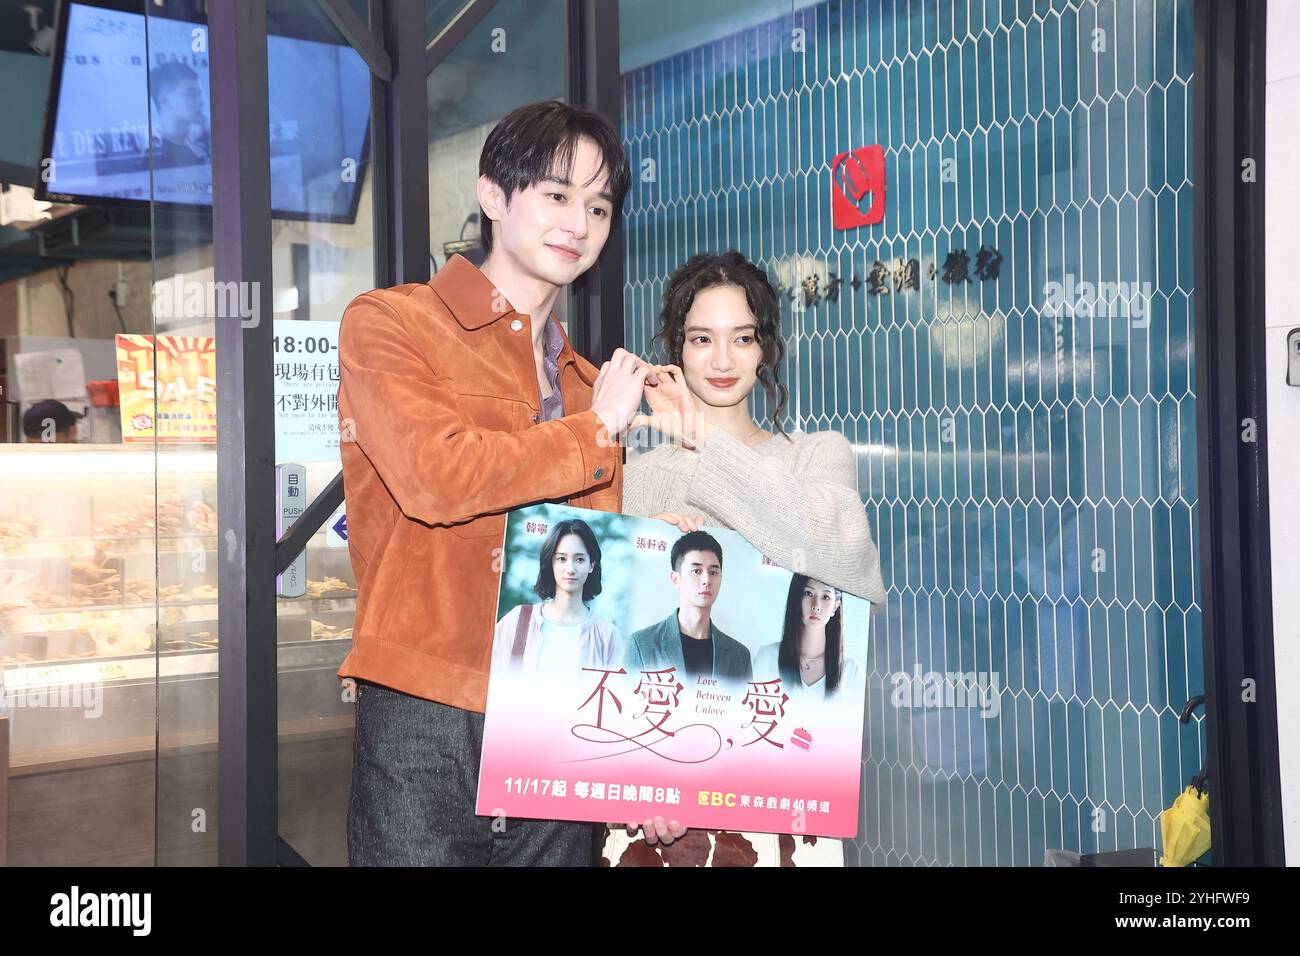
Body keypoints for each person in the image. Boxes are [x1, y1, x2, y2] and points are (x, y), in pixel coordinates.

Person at [337, 100, 671, 866]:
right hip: (426, 705)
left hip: (561, 711)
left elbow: (606, 582)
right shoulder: (393, 323)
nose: (578, 223)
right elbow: (438, 477)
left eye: (598, 205)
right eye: (556, 195)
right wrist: (596, 432)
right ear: (493, 195)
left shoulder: (592, 384)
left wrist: (641, 755)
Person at [602, 250, 887, 868]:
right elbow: (616, 638)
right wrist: (639, 773)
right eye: (702, 338)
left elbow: (842, 555)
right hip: (657, 803)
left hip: (781, 793)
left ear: (766, 351)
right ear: (676, 347)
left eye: (743, 338)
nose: (723, 360)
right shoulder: (636, 479)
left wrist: (707, 441)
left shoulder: (815, 455)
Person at [492, 518, 622, 675]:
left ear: (591, 565)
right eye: (561, 559)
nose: (570, 569)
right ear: (551, 562)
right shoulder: (518, 620)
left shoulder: (607, 635)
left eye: (579, 559)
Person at [622, 529, 752, 683]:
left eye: (714, 572)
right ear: (676, 579)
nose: (706, 580)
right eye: (696, 571)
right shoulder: (641, 645)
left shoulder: (740, 656)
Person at [752, 575, 863, 698]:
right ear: (797, 598)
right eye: (808, 593)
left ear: (835, 607)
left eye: (825, 597)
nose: (816, 605)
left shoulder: (851, 671)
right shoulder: (767, 658)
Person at [148, 62, 209, 168]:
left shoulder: (201, 148)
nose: (201, 102)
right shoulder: (153, 160)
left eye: (199, 94)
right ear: (165, 100)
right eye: (191, 94)